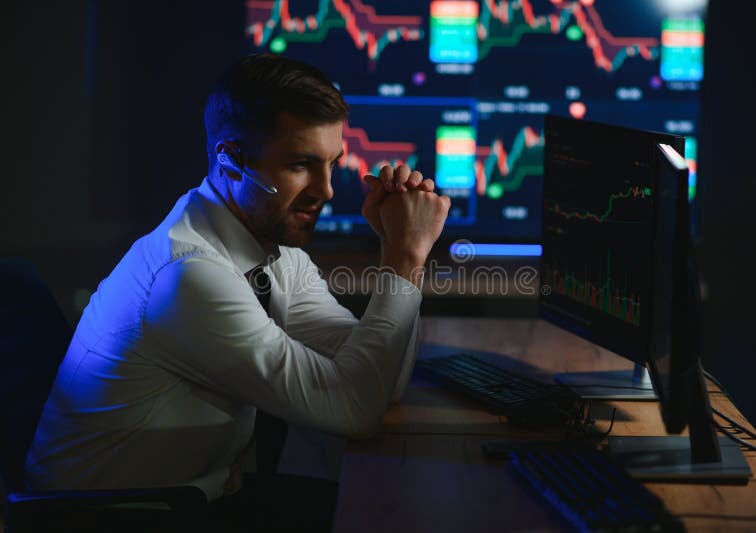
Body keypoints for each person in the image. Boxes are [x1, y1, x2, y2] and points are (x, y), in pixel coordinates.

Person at [25, 53, 450, 530]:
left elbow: (378, 381)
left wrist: (398, 248)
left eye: (332, 163)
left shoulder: (274, 252)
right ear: (230, 161)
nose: (327, 191)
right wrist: (404, 260)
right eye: (300, 165)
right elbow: (358, 408)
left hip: (185, 503)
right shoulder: (188, 278)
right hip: (109, 522)